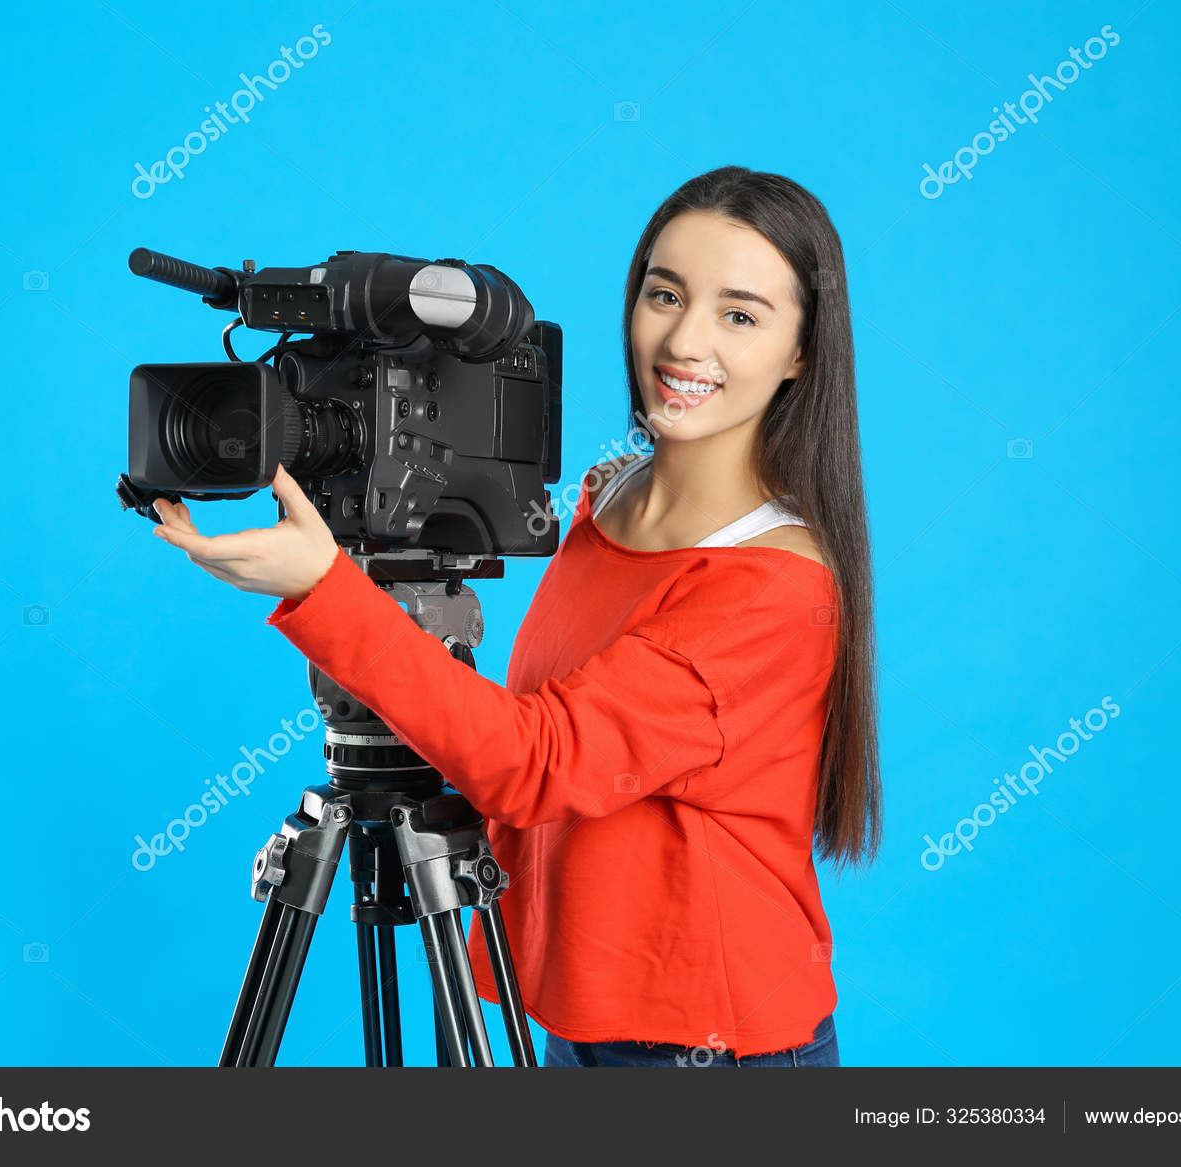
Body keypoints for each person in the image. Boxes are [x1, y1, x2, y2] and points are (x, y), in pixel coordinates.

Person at [151, 165, 882, 1068]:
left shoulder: (773, 588)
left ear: (803, 349)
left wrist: (327, 590)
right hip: (578, 1013)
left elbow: (539, 760)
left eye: (740, 314)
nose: (685, 340)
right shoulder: (610, 498)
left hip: (709, 1043)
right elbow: (562, 755)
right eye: (664, 294)